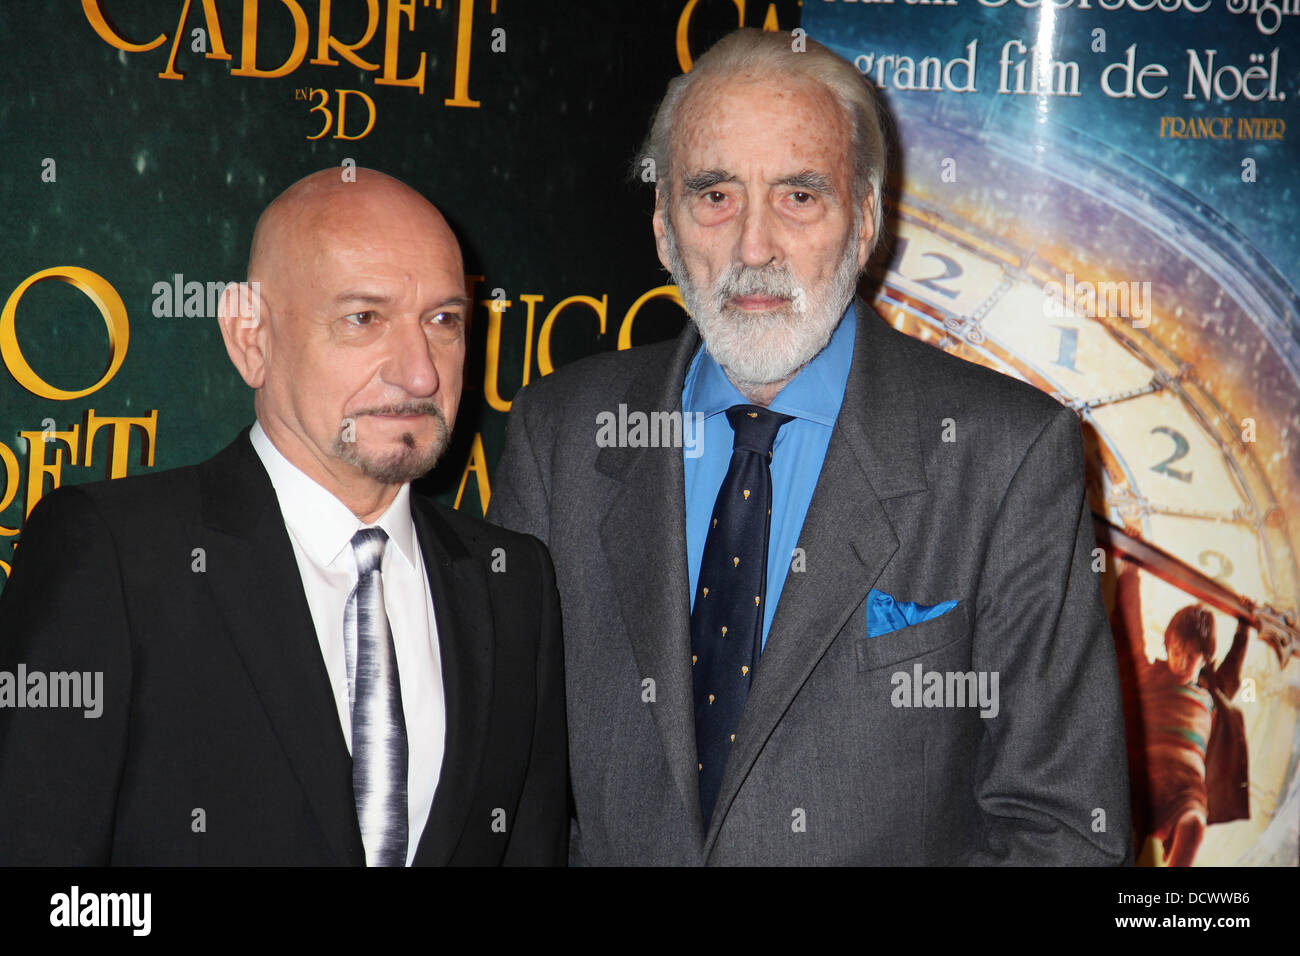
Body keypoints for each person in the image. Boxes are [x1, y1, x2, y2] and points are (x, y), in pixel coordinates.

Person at [488, 29, 1131, 864]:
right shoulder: (561, 436)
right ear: (661, 229)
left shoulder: (1005, 455)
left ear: (864, 223)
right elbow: (510, 798)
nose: (754, 249)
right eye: (714, 196)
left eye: (799, 196)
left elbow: (1063, 830)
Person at [0, 168, 567, 865]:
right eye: (364, 318)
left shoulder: (513, 585)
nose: (421, 373)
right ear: (250, 337)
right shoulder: (116, 556)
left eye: (443, 321)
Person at [1110, 558, 1250, 866]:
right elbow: (1129, 632)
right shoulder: (1149, 677)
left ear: (1205, 659)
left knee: (1193, 827)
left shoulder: (1210, 694)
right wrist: (1131, 573)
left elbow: (1231, 672)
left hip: (1186, 790)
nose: (1182, 661)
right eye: (1176, 652)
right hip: (1143, 779)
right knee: (1121, 833)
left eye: (1192, 656)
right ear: (1167, 645)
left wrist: (1243, 629)